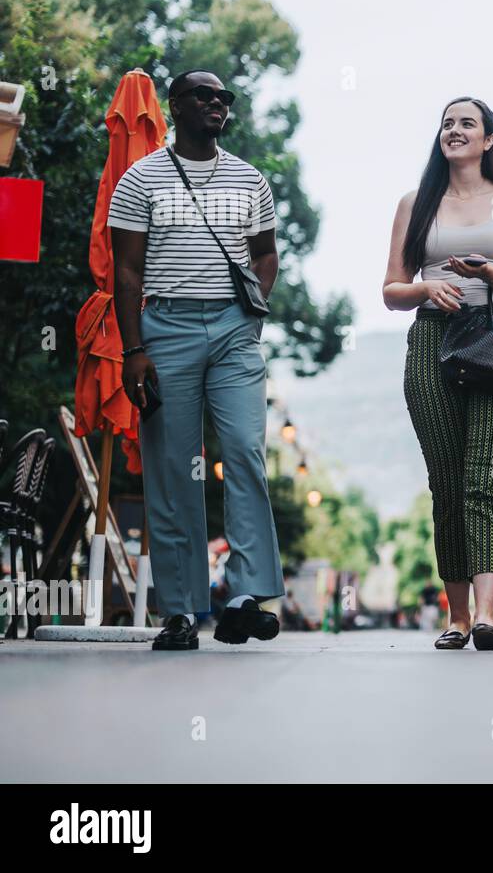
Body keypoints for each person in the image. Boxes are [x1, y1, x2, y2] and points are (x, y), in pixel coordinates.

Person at [109, 69, 284, 652]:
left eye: (224, 98)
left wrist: (251, 313)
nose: (218, 105)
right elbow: (126, 272)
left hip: (234, 333)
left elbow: (266, 256)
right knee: (173, 468)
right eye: (204, 96)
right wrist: (134, 350)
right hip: (165, 331)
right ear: (175, 106)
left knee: (244, 451)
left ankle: (244, 596)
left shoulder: (250, 179)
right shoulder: (140, 178)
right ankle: (180, 611)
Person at [382, 97, 493, 652]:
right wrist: (426, 287)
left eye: (466, 123)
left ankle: (486, 614)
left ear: (489, 140)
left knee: (490, 475)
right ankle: (455, 617)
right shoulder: (416, 203)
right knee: (447, 481)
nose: (454, 130)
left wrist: (490, 274)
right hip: (433, 339)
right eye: (447, 123)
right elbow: (391, 291)